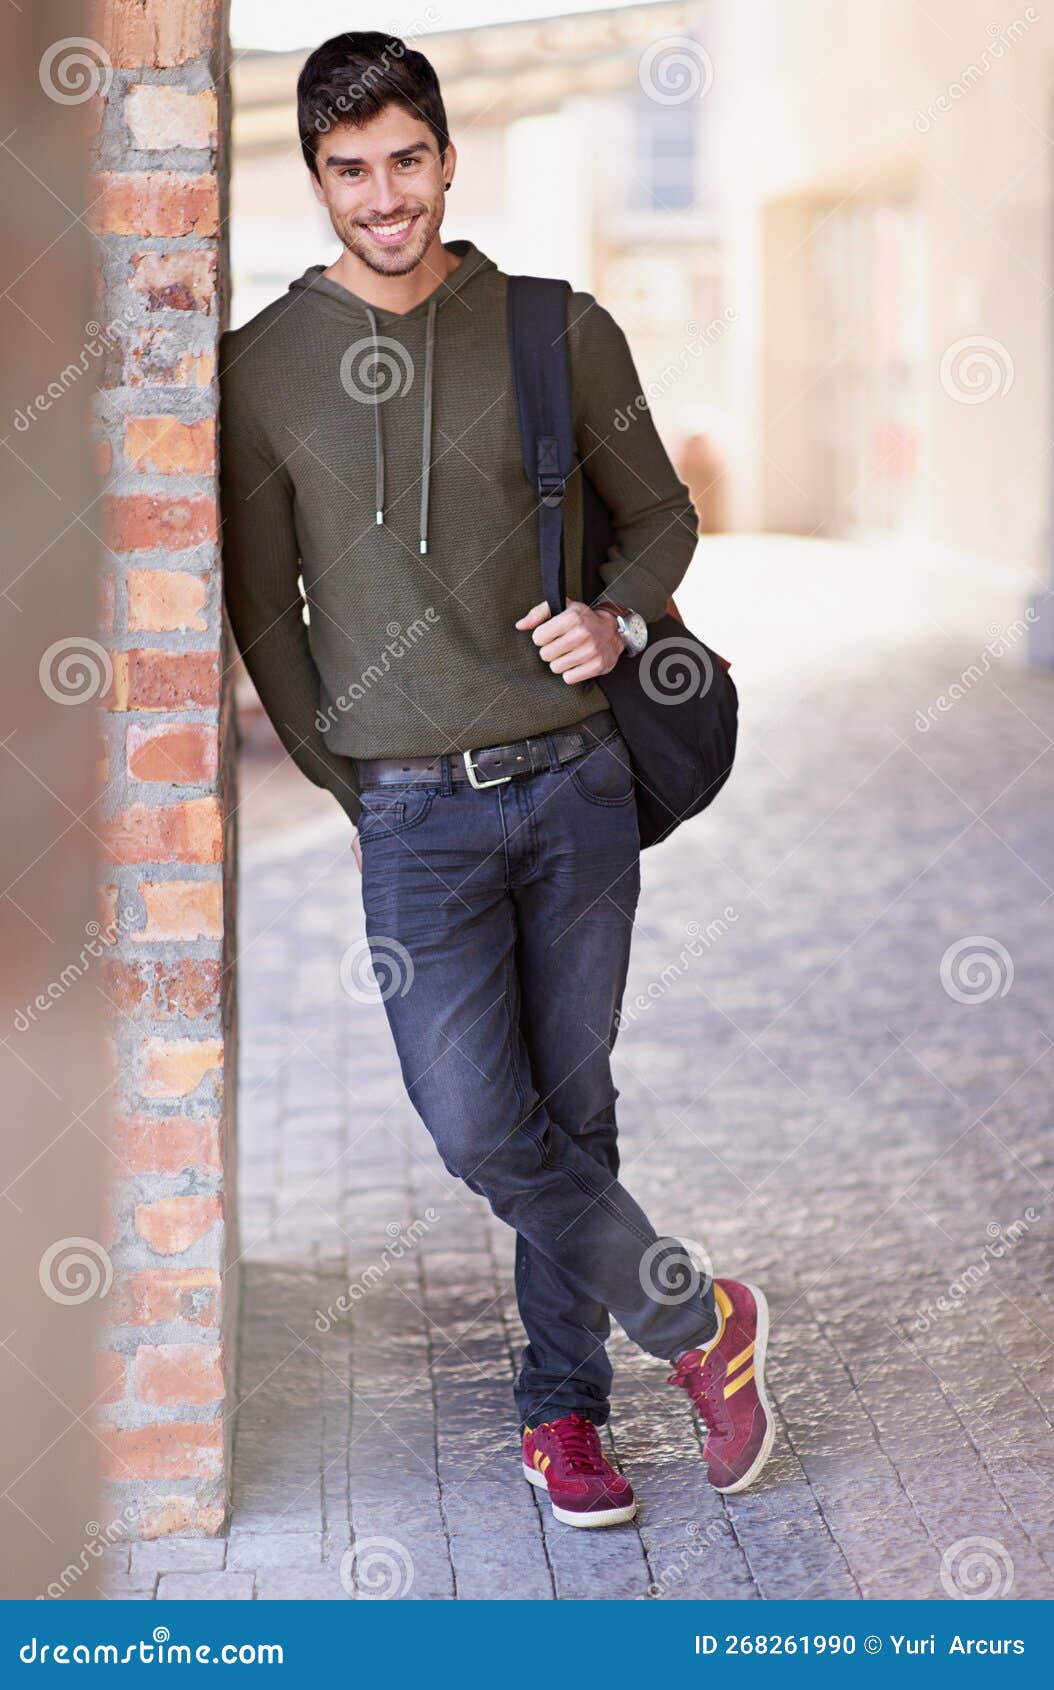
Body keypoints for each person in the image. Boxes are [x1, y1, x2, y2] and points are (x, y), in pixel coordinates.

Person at [220, 31, 773, 1529]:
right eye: (351, 170)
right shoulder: (260, 371)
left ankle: (563, 1413)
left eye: (407, 160)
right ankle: (695, 1318)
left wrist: (621, 617)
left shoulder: (552, 329)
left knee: (571, 1107)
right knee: (478, 1123)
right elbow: (266, 615)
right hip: (409, 808)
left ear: (448, 158)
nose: (384, 196)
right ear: (317, 179)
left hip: (576, 784)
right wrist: (366, 791)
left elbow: (661, 518)